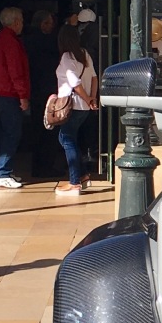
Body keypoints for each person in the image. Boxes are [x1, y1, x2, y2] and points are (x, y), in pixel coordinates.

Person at [53, 23, 98, 196]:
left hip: (72, 105)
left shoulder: (66, 57)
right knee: (68, 139)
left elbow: (75, 83)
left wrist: (87, 98)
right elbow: (94, 77)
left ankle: (74, 183)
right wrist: (92, 99)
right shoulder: (84, 54)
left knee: (67, 140)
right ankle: (82, 175)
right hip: (84, 107)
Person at [0, 7, 30, 189]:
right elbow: (16, 71)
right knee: (12, 131)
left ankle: (5, 169)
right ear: (16, 22)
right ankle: (2, 172)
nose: (22, 24)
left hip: (0, 91)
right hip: (9, 93)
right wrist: (23, 96)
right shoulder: (11, 42)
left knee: (7, 131)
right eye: (21, 20)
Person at [24, 10, 63, 179]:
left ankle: (38, 166)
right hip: (46, 90)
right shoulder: (46, 42)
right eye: (48, 23)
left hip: (36, 89)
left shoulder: (28, 41)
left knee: (38, 130)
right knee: (48, 129)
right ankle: (45, 166)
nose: (51, 26)